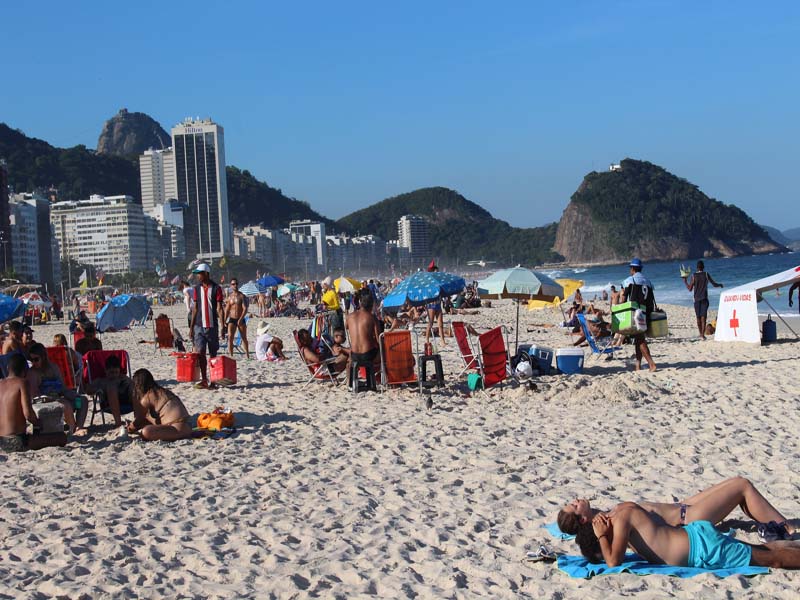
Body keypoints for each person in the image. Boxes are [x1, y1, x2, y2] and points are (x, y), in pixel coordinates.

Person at [558, 476, 795, 543]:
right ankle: (789, 529)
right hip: (689, 518)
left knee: (737, 484)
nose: (577, 499)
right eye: (574, 504)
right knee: (742, 486)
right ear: (581, 519)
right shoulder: (606, 522)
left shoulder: (604, 515)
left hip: (685, 506)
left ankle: (775, 525)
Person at [577, 502, 800, 570]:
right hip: (696, 535)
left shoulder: (622, 521)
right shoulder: (622, 510)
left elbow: (613, 561)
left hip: (702, 548)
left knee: (774, 560)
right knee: (763, 550)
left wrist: (602, 537)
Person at [0, 354, 66, 452]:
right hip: (17, 440)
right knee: (61, 437)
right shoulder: (22, 383)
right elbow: (28, 414)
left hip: (1, 440)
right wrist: (39, 423)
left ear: (8, 368)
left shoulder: (1, 383)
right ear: (25, 370)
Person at [27, 343, 84, 434]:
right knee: (65, 404)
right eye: (31, 360)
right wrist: (52, 398)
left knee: (82, 400)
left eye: (36, 359)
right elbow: (35, 396)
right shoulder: (33, 373)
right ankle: (72, 428)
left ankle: (78, 427)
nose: (33, 363)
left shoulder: (53, 367)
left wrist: (71, 394)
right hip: (44, 400)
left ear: (44, 357)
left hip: (58, 395)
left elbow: (63, 386)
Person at [126, 369, 192, 442]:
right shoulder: (163, 391)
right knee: (148, 419)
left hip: (175, 429)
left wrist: (130, 428)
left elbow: (139, 420)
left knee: (146, 431)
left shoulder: (147, 398)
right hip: (187, 426)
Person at [189, 263, 225, 389]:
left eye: (199, 273)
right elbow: (195, 309)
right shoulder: (196, 289)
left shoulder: (216, 288)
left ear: (206, 274)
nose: (198, 276)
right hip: (199, 325)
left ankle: (213, 380)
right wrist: (191, 327)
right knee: (200, 354)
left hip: (212, 326)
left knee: (213, 354)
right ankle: (204, 379)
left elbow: (220, 308)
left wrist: (223, 325)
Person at [621, 258, 656, 372]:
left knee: (640, 339)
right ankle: (638, 365)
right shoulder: (648, 281)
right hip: (646, 314)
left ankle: (651, 364)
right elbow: (651, 301)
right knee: (638, 339)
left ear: (632, 268)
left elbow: (623, 299)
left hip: (636, 314)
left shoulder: (630, 280)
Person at [345, 289, 381, 383]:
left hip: (354, 355)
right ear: (371, 305)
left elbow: (347, 327)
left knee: (350, 358)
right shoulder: (372, 317)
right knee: (384, 352)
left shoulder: (349, 317)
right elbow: (379, 339)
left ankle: (350, 382)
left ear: (360, 303)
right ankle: (383, 378)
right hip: (368, 355)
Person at [682, 260, 723, 340]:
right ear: (703, 267)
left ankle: (700, 333)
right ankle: (702, 335)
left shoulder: (693, 276)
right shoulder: (706, 274)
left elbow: (690, 289)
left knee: (698, 318)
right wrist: (720, 285)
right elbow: (714, 284)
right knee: (703, 318)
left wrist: (685, 281)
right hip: (704, 298)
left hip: (696, 299)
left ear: (697, 268)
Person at [88, 354, 132, 428]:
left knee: (133, 387)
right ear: (105, 371)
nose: (114, 375)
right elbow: (88, 389)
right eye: (111, 372)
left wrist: (127, 382)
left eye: (116, 372)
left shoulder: (123, 377)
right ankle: (118, 423)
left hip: (126, 401)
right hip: (108, 404)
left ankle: (139, 419)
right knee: (111, 387)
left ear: (119, 371)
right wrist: (98, 389)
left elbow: (134, 386)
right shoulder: (101, 381)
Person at [224, 278, 250, 358]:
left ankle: (247, 355)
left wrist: (241, 319)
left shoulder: (241, 296)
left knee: (244, 337)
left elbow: (245, 309)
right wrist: (224, 320)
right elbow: (227, 309)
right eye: (233, 284)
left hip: (240, 318)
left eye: (236, 284)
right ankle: (231, 355)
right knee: (230, 337)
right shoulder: (230, 297)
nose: (235, 285)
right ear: (231, 286)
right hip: (232, 319)